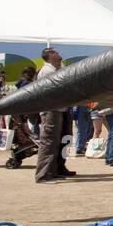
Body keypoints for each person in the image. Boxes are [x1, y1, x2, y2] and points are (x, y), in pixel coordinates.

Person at [34, 47, 75, 183]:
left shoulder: (57, 67)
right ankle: (43, 174)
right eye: (56, 53)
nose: (59, 55)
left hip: (61, 108)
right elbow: (60, 84)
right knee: (49, 142)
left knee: (64, 139)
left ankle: (58, 168)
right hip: (51, 110)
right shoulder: (47, 70)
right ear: (50, 55)